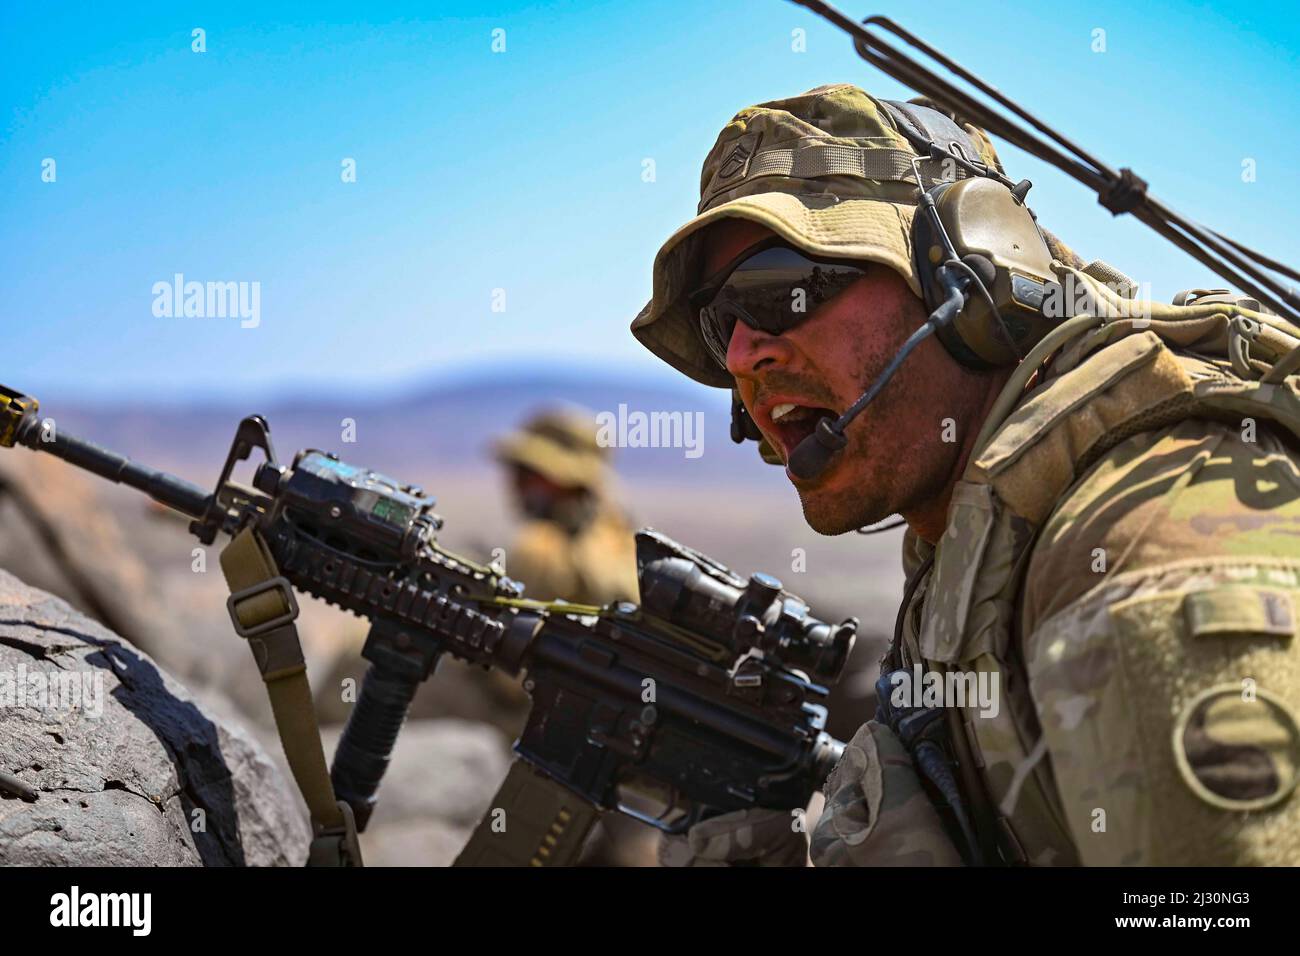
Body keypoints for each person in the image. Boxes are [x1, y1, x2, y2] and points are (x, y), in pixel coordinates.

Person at [632, 84, 1300, 866]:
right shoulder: (977, 548)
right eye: (722, 324)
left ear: (974, 275)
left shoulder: (1144, 541)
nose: (744, 355)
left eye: (784, 291)